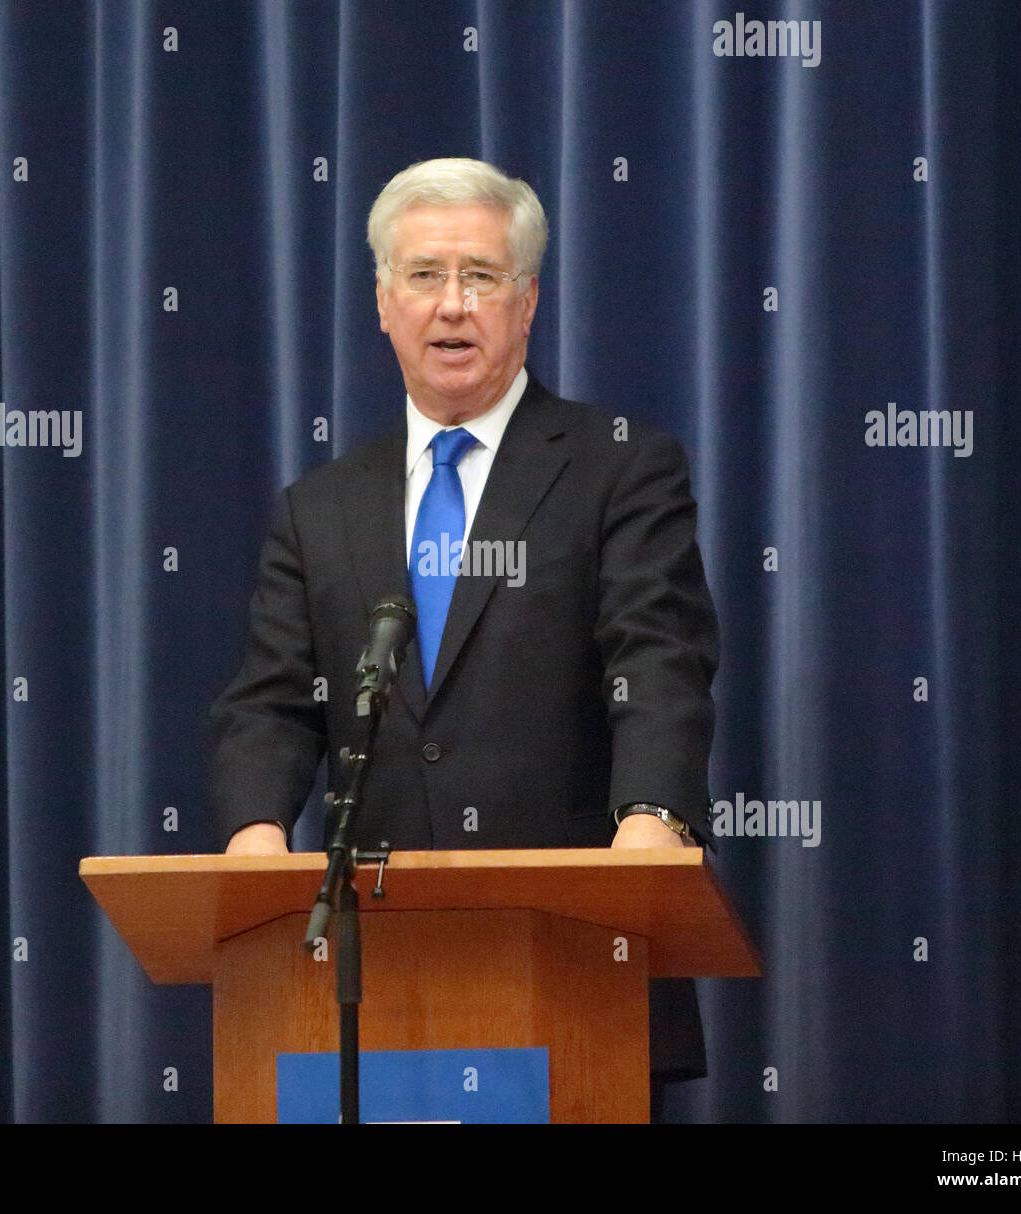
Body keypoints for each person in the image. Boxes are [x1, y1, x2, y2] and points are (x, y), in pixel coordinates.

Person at [210, 157, 718, 1116]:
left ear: (525, 303)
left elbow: (659, 657)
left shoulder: (620, 467)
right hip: (370, 977)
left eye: (480, 277)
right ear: (381, 301)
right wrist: (254, 839)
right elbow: (272, 701)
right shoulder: (321, 508)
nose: (452, 306)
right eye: (424, 275)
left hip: (574, 953)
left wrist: (651, 820)